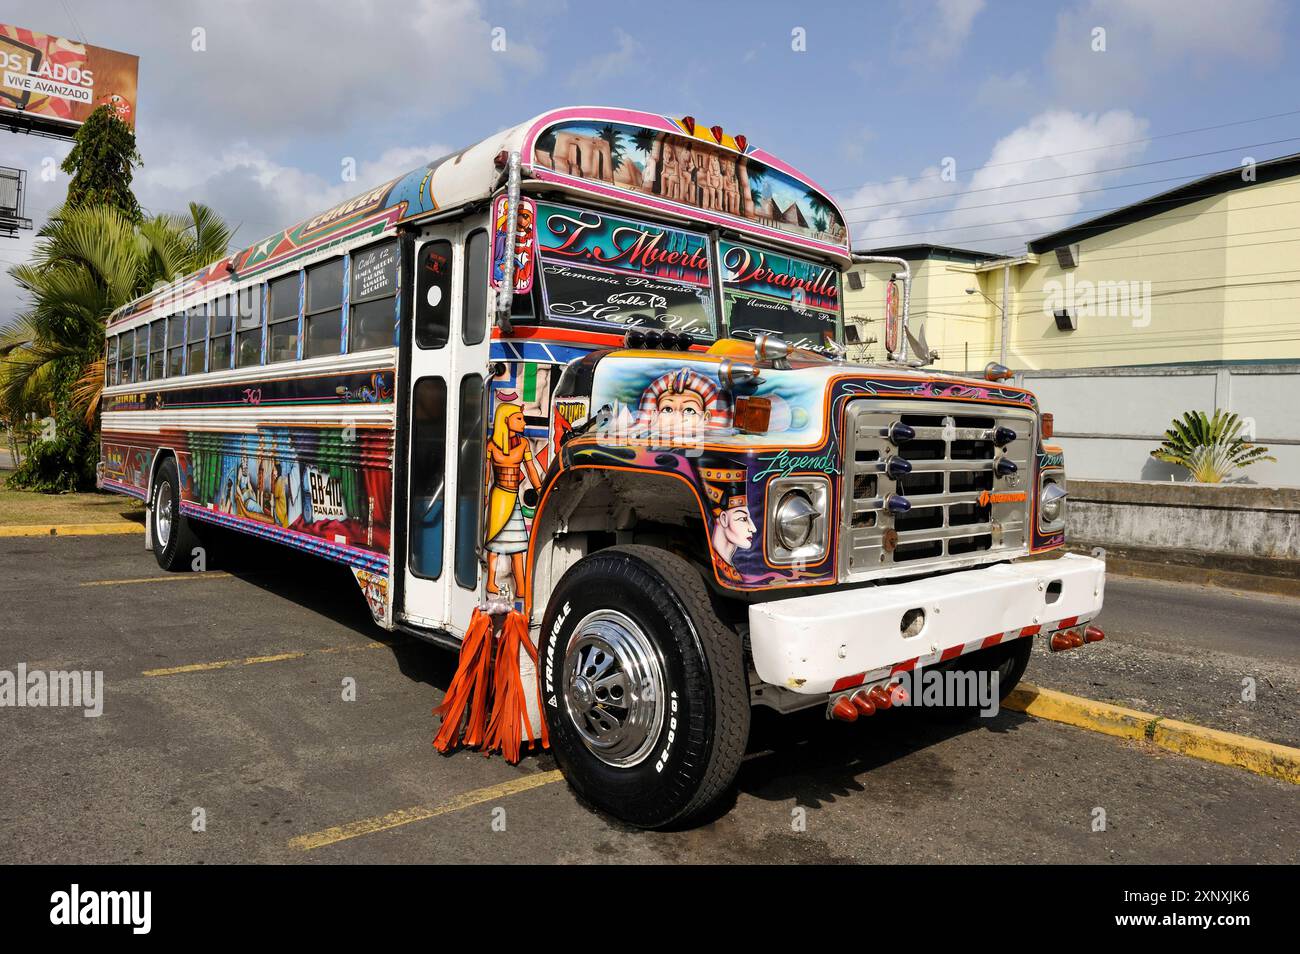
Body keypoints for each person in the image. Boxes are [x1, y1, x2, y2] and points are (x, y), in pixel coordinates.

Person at [484, 400, 544, 597]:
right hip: (499, 495)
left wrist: (540, 489)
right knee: (494, 541)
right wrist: (484, 494)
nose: (523, 423)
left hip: (512, 497)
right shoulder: (492, 445)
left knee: (517, 545)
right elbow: (485, 474)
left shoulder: (524, 443)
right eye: (519, 418)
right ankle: (491, 583)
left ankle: (521, 586)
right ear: (506, 420)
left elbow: (531, 469)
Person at [699, 462, 755, 583]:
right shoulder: (722, 571)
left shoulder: (732, 573)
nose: (753, 528)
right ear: (724, 518)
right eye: (743, 519)